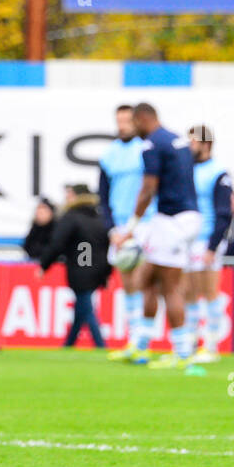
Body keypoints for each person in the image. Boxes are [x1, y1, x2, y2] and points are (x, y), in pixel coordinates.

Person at [113, 102, 201, 370]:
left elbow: (148, 188)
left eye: (134, 122)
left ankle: (182, 352)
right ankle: (141, 346)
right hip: (181, 218)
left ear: (141, 119)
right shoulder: (177, 141)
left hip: (173, 220)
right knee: (147, 278)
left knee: (169, 286)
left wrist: (131, 226)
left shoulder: (151, 144)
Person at [99, 104, 158, 361]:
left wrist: (137, 223)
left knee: (143, 281)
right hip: (120, 226)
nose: (122, 124)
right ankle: (134, 339)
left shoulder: (145, 150)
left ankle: (143, 341)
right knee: (127, 282)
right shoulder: (109, 154)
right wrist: (111, 228)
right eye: (119, 120)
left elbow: (152, 187)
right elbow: (102, 194)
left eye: (127, 120)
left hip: (144, 223)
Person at [40, 184, 111, 348]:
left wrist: (44, 264)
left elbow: (57, 243)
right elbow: (105, 247)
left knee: (86, 308)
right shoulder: (99, 218)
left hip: (81, 269)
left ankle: (100, 345)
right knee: (82, 306)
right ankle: (69, 343)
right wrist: (106, 273)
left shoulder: (71, 217)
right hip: (97, 269)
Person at [186, 124, 233, 363]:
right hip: (188, 239)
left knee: (209, 291)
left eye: (193, 142)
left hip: (207, 239)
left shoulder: (218, 173)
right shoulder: (186, 169)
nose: (189, 146)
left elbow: (224, 213)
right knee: (190, 293)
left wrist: (212, 246)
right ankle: (191, 342)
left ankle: (212, 343)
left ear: (205, 144)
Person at [23, 198, 55, 262]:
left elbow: (54, 248)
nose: (40, 214)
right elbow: (27, 245)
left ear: (50, 212)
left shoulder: (56, 228)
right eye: (39, 211)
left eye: (43, 211)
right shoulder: (35, 227)